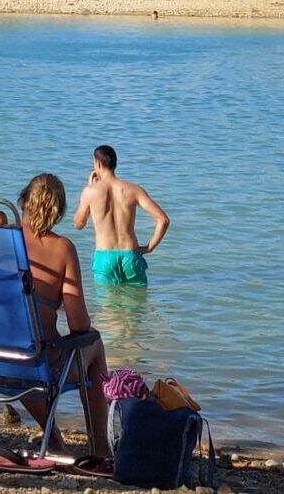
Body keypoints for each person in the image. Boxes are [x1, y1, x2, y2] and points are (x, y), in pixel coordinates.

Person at [17, 173, 113, 474]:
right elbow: (79, 323)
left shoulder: (0, 240)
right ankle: (100, 447)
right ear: (58, 212)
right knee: (94, 343)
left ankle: (55, 440)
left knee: (23, 364)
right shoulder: (62, 249)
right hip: (36, 364)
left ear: (23, 201)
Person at [73, 145, 167, 286]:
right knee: (136, 306)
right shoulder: (134, 190)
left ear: (97, 163)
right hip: (131, 255)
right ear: (115, 164)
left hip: (105, 257)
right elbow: (163, 220)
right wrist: (149, 248)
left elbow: (78, 224)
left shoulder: (90, 192)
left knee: (106, 307)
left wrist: (89, 186)